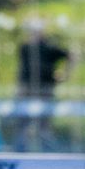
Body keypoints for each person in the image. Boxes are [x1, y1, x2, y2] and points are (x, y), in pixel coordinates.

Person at [16, 19, 71, 151]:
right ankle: (22, 150)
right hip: (28, 88)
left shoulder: (49, 48)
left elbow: (71, 55)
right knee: (24, 123)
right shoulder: (25, 47)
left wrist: (65, 74)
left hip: (45, 89)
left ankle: (48, 150)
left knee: (44, 125)